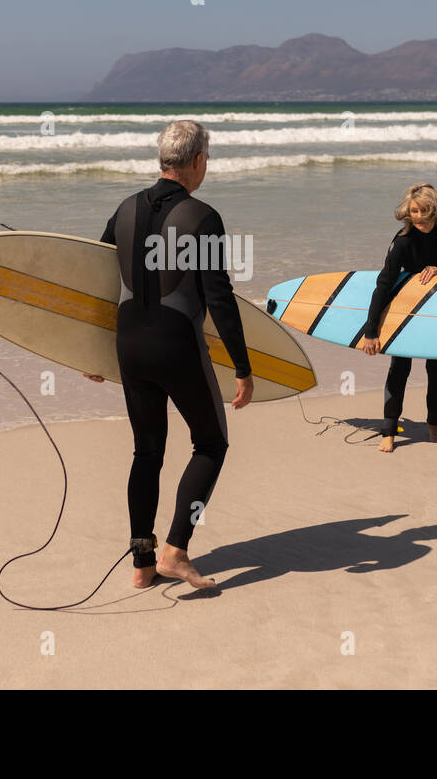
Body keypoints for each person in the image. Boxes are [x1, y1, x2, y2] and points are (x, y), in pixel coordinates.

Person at [83, 120, 254, 589]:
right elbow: (219, 299)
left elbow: (95, 281)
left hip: (129, 345)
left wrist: (90, 353)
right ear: (198, 160)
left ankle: (141, 564)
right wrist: (243, 367)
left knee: (147, 453)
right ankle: (176, 550)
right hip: (177, 343)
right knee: (211, 443)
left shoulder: (123, 208)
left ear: (163, 159)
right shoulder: (204, 217)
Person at [359, 184, 437, 452]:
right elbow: (384, 284)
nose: (418, 216)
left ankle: (433, 426)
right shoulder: (403, 240)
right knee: (399, 368)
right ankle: (389, 431)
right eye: (414, 211)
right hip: (407, 312)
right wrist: (371, 331)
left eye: (423, 210)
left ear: (434, 210)